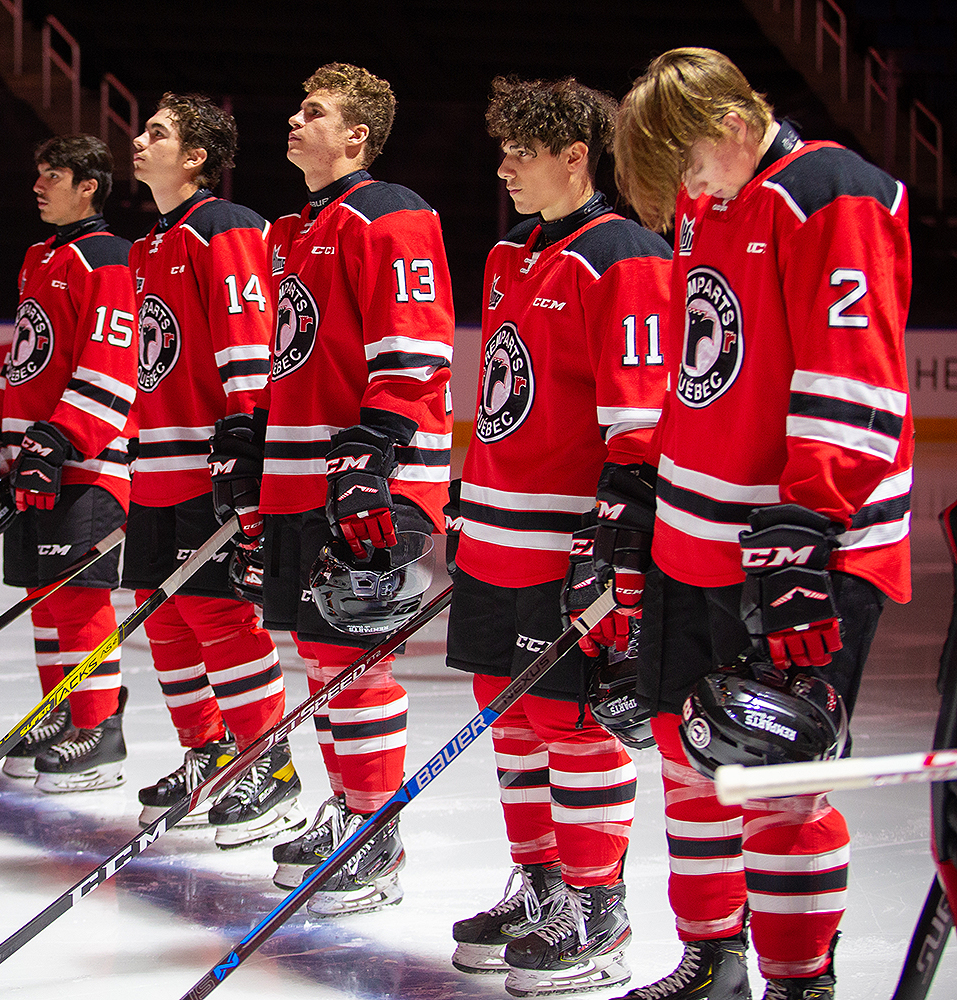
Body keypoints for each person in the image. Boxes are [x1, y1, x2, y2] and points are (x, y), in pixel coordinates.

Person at [606, 47, 912, 1000]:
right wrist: (646, 480)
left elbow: (854, 378)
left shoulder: (833, 196)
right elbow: (711, 370)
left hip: (796, 551)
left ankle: (796, 985)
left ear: (734, 125)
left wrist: (805, 537)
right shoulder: (716, 199)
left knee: (776, 773)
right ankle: (713, 962)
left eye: (687, 163)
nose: (683, 190)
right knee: (685, 746)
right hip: (694, 538)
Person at [444, 75, 673, 997]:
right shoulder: (511, 253)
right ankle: (541, 883)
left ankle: (596, 903)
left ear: (575, 156)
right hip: (497, 532)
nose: (502, 169)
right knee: (507, 714)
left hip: (565, 542)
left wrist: (608, 552)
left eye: (520, 153)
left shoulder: (624, 257)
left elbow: (642, 427)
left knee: (572, 727)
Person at [213, 63, 453, 915]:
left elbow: (415, 349)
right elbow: (302, 353)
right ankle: (351, 809)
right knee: (322, 658)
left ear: (356, 136)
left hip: (362, 481)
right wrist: (258, 425)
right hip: (300, 473)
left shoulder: (390, 212)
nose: (293, 120)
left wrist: (373, 463)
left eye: (312, 112)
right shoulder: (294, 228)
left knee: (356, 658)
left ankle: (374, 836)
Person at [125, 93, 298, 846]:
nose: (137, 140)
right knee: (162, 614)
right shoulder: (149, 244)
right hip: (157, 457)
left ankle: (272, 762)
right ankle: (211, 750)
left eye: (156, 133)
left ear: (196, 157)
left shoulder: (224, 227)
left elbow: (249, 338)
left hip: (208, 458)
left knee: (216, 614)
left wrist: (246, 441)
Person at [0, 134, 135, 791]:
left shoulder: (110, 257)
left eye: (53, 174)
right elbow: (30, 359)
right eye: (38, 172)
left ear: (89, 185)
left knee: (79, 597)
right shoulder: (41, 256)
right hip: (37, 457)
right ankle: (60, 711)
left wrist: (62, 437)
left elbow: (110, 361)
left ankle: (101, 729)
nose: (39, 184)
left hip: (87, 460)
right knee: (43, 598)